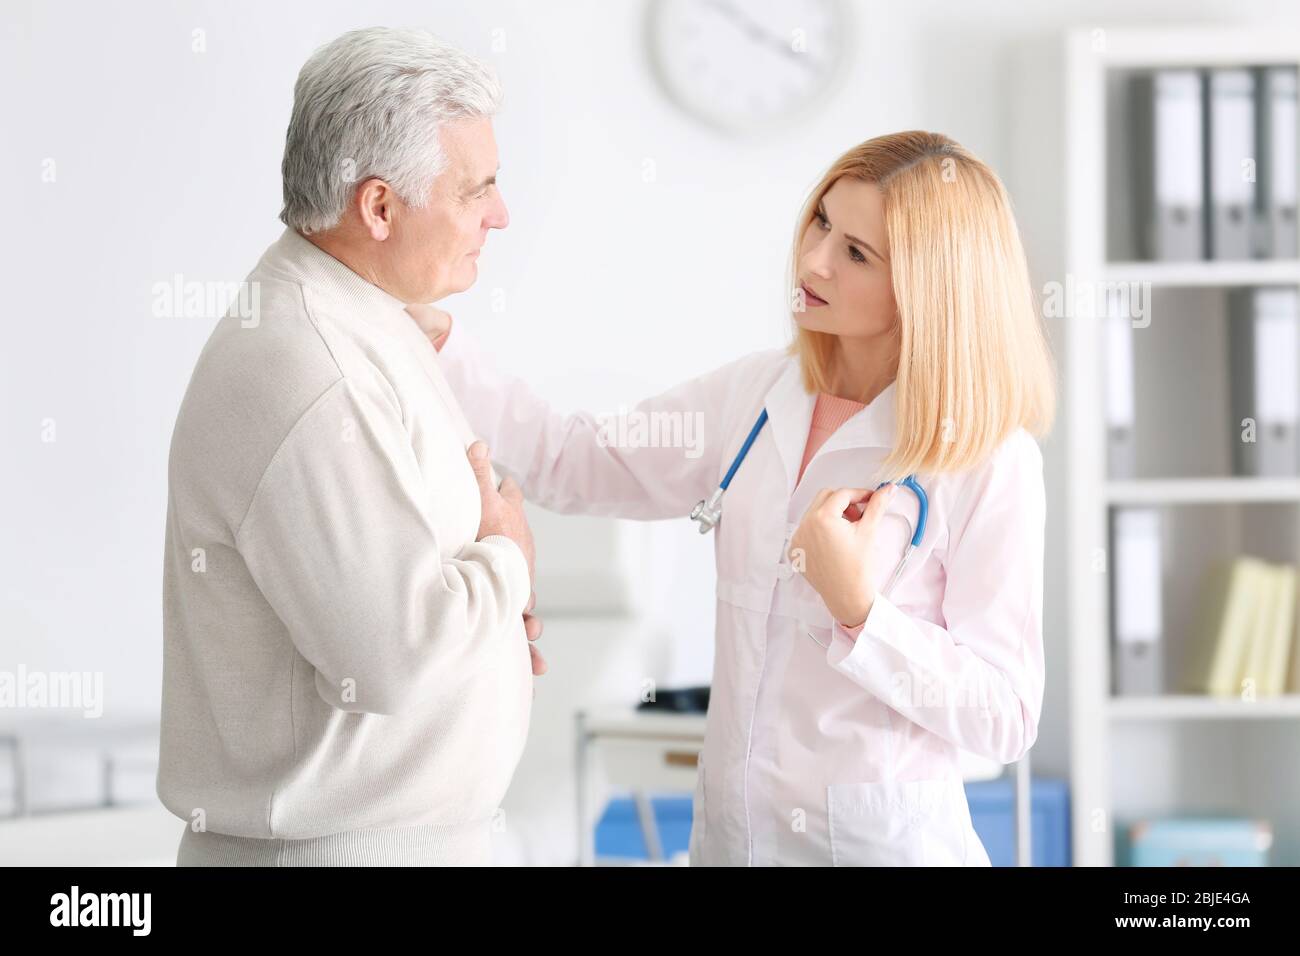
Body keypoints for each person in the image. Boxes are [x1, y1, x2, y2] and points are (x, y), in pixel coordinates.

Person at [416, 130, 1056, 866]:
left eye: (856, 253)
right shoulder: (755, 397)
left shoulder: (986, 457)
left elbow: (1005, 717)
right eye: (821, 222)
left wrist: (862, 614)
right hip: (731, 844)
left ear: (926, 287)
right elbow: (573, 459)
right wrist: (438, 343)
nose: (813, 260)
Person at [158, 27, 542, 866]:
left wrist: (490, 631)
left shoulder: (362, 319)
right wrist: (507, 562)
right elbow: (394, 659)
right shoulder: (312, 367)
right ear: (377, 207)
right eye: (477, 189)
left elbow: (400, 591)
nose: (500, 214)